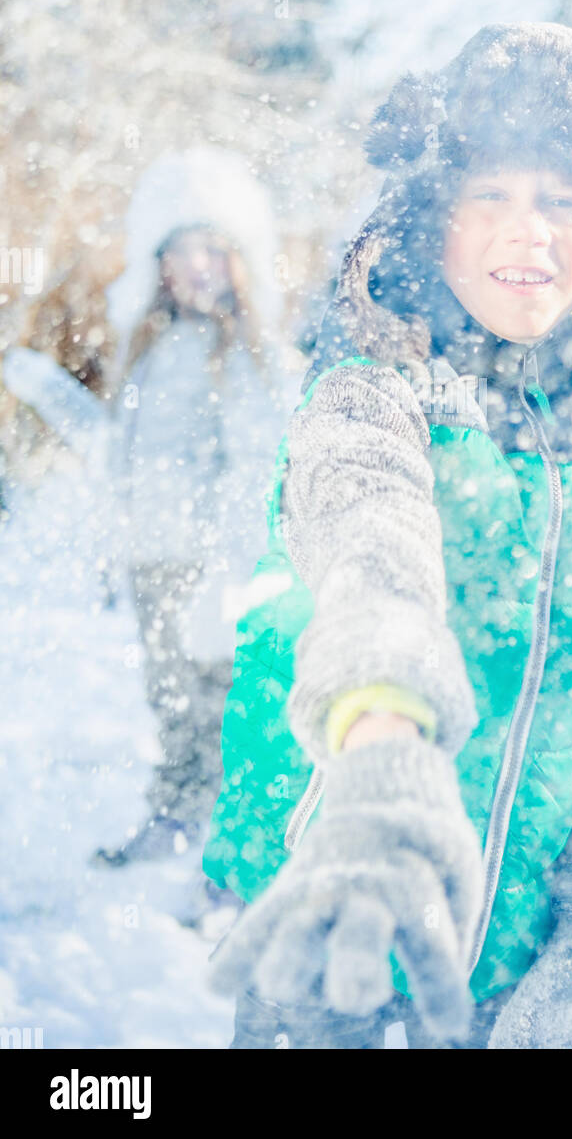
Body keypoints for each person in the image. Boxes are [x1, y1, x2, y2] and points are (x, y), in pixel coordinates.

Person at [203, 23, 572, 1048]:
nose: (526, 232)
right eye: (491, 194)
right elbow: (370, 558)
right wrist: (383, 741)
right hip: (334, 885)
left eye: (564, 201)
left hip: (512, 957)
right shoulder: (368, 388)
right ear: (432, 216)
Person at [94, 147, 297, 870]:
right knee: (171, 705)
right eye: (182, 252)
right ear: (159, 265)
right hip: (155, 559)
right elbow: (127, 459)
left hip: (209, 568)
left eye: (214, 250)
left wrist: (228, 572)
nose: (198, 266)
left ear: (238, 259)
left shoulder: (240, 355)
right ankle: (175, 821)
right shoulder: (148, 350)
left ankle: (228, 846)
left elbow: (251, 468)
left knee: (217, 710)